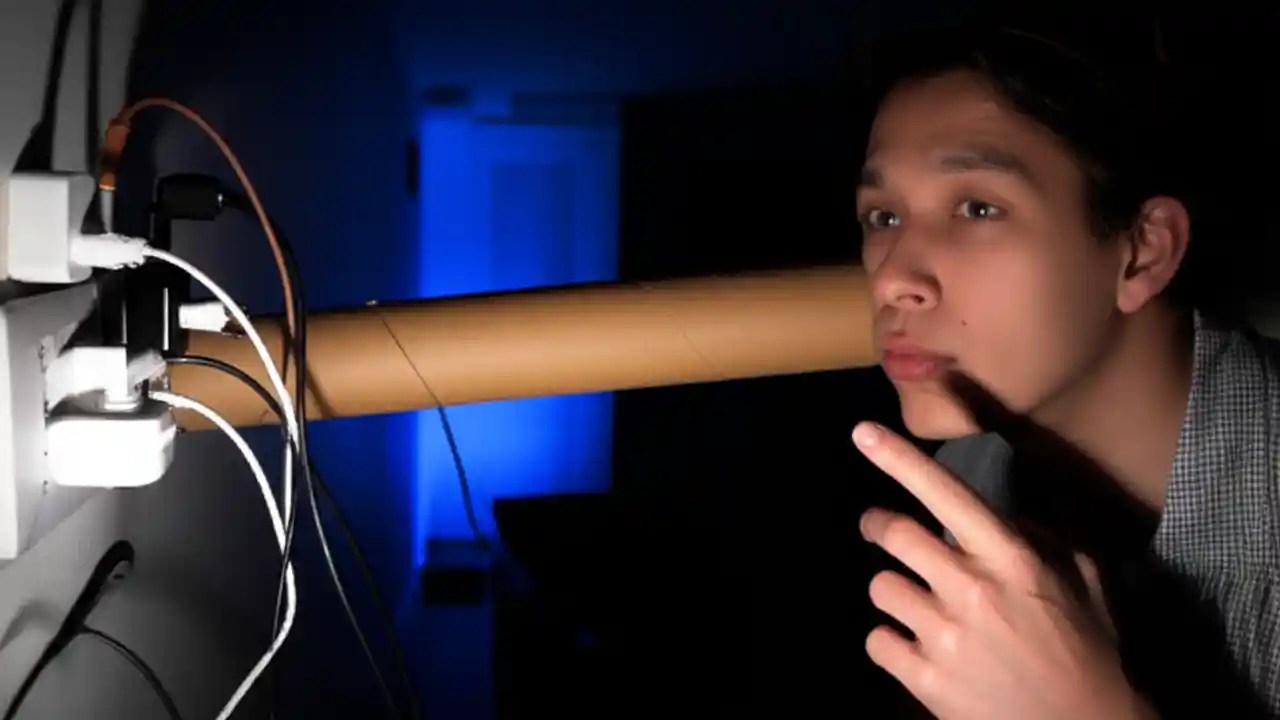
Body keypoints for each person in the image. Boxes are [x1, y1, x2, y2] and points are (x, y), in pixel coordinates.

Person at [848, 13, 1280, 720]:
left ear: (1143, 252)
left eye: (976, 207)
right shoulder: (967, 484)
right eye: (882, 217)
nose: (894, 278)